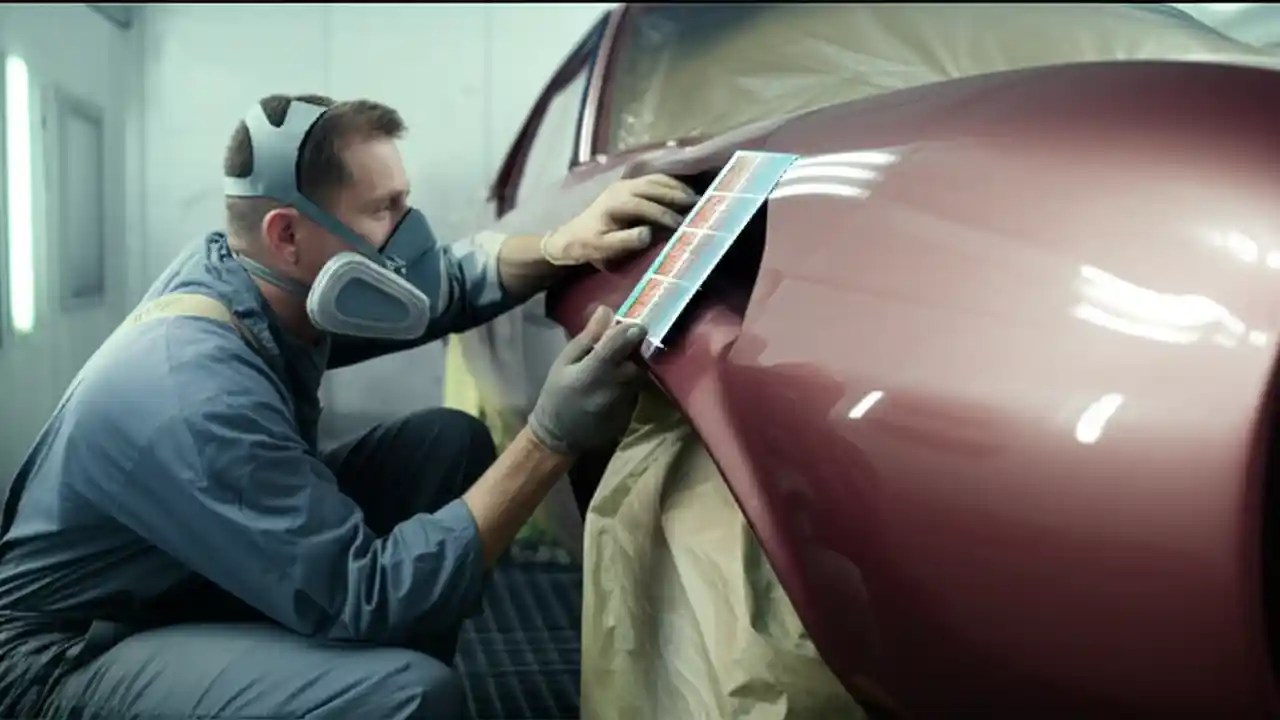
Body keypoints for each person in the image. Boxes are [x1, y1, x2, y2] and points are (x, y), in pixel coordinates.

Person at [0, 93, 698, 719]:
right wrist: (549, 439)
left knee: (444, 446)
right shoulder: (194, 393)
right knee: (408, 698)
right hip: (64, 662)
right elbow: (363, 593)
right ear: (286, 234)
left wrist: (557, 246)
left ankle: (357, 672)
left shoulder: (256, 280)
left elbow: (436, 288)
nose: (408, 231)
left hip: (177, 580)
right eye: (383, 210)